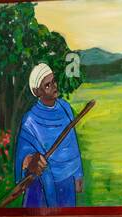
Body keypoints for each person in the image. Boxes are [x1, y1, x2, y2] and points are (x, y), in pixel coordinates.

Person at [16, 63, 84, 208]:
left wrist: (78, 174)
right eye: (47, 85)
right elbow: (24, 155)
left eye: (54, 81)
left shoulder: (65, 108)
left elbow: (72, 143)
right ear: (37, 91)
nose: (54, 86)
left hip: (66, 181)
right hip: (40, 184)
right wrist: (30, 159)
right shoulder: (30, 121)